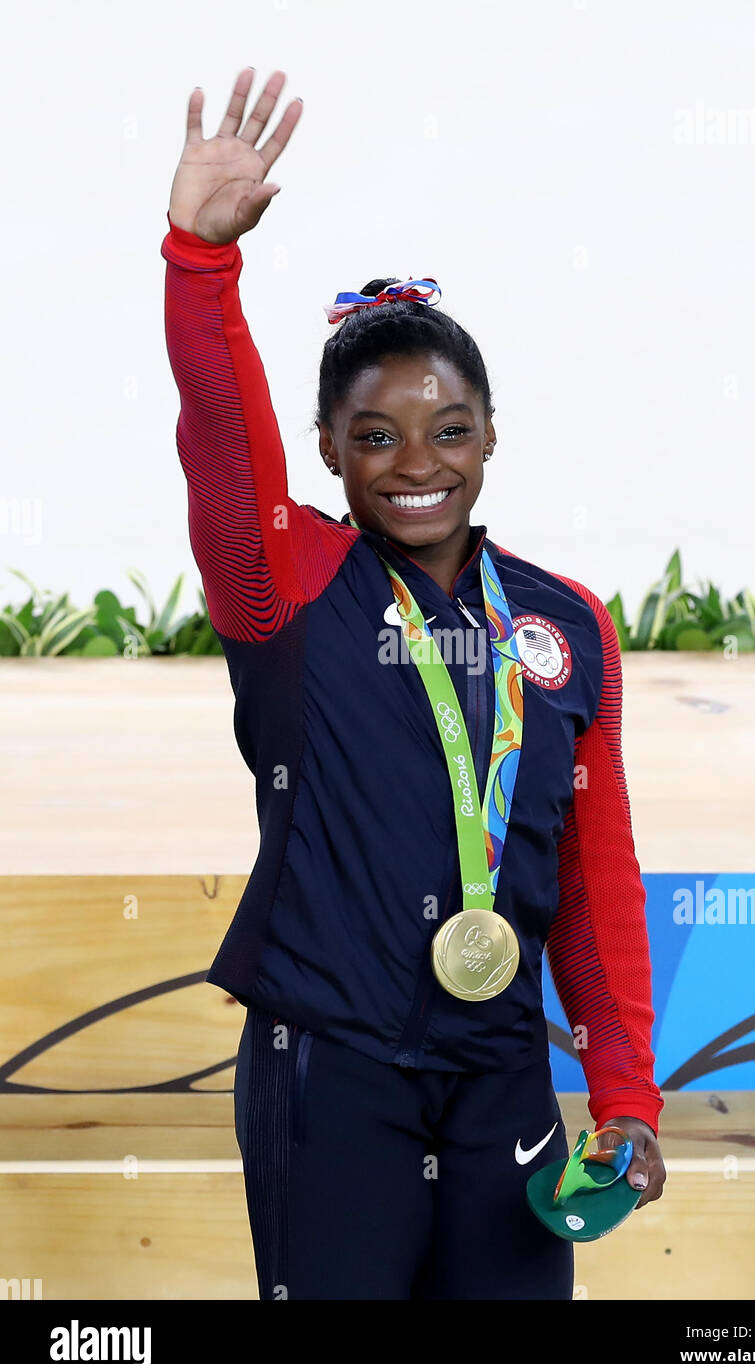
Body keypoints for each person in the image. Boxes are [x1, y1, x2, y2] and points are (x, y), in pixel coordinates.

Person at [162, 66, 666, 1301]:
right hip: (331, 1068)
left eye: (448, 428)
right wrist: (198, 263)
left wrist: (624, 1093)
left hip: (498, 1071)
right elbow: (219, 442)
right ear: (328, 445)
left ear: (492, 433)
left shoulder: (563, 626)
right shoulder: (285, 588)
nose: (415, 465)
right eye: (374, 435)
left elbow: (591, 877)